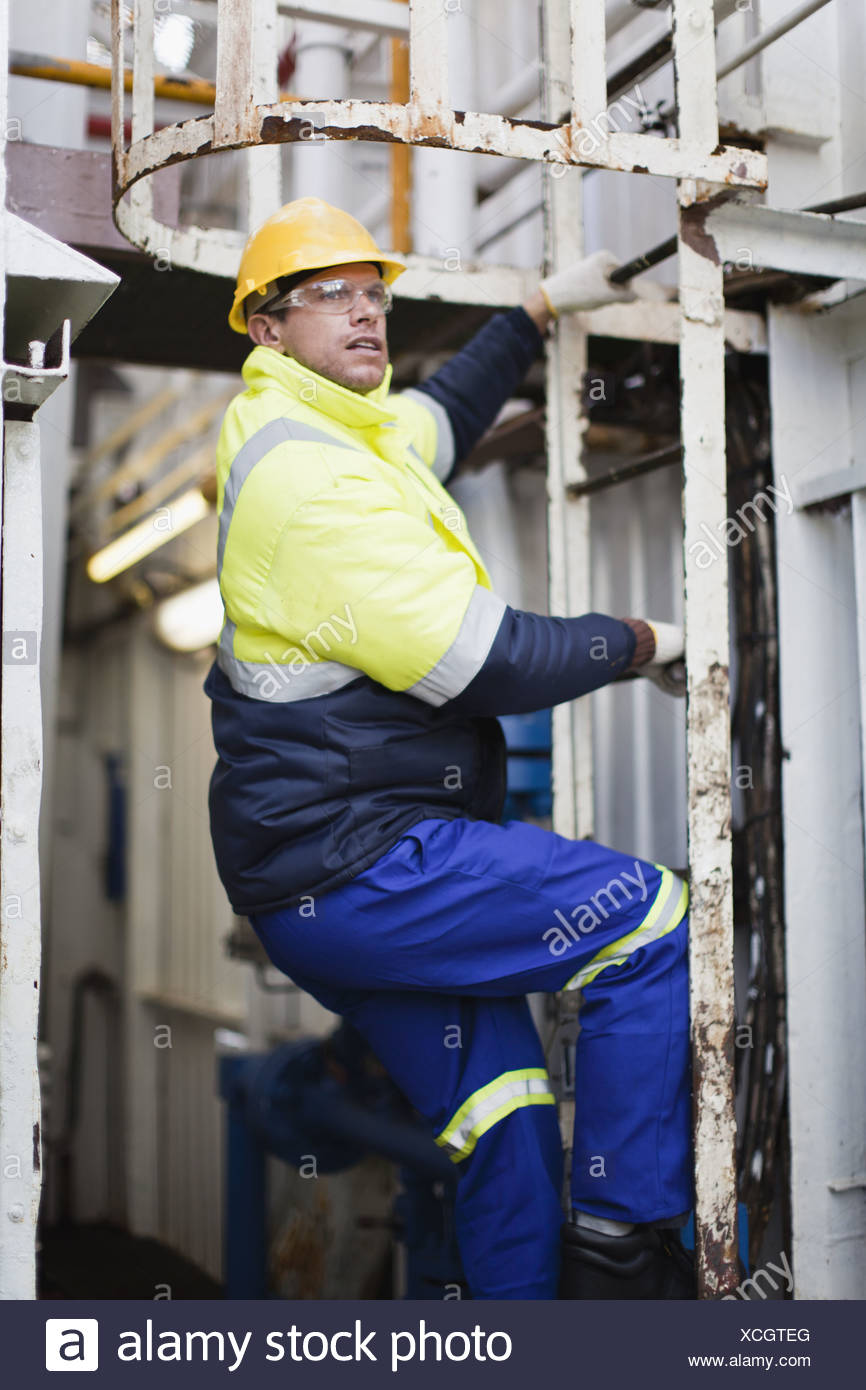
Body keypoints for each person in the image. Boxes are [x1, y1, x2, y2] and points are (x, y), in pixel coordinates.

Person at [205, 196, 693, 1300]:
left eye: (374, 293)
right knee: (645, 915)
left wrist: (533, 311)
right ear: (265, 326)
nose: (364, 312)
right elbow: (486, 663)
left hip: (310, 888)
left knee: (504, 1114)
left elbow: (441, 415)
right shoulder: (306, 477)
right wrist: (646, 640)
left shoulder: (337, 426)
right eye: (329, 294)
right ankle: (623, 1247)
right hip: (363, 862)